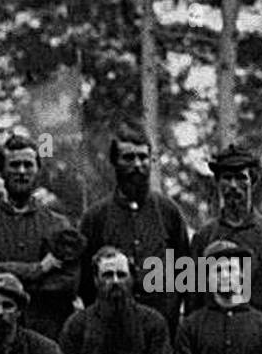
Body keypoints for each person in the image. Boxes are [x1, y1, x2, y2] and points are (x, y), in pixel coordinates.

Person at [0, 133, 83, 344]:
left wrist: (0, 276)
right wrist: (39, 269)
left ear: (37, 170)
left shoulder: (59, 225)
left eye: (28, 165)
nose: (21, 171)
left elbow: (68, 283)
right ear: (1, 170)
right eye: (14, 165)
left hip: (46, 336)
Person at [79, 129, 191, 338]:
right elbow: (85, 280)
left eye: (143, 157)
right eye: (129, 158)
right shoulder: (95, 217)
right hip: (112, 331)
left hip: (162, 331)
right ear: (114, 162)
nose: (138, 165)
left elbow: (186, 272)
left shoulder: (168, 211)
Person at [190, 143, 262, 323]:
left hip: (260, 335)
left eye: (240, 178)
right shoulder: (204, 237)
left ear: (252, 181)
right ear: (217, 183)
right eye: (227, 178)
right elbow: (193, 296)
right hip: (214, 334)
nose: (233, 185)